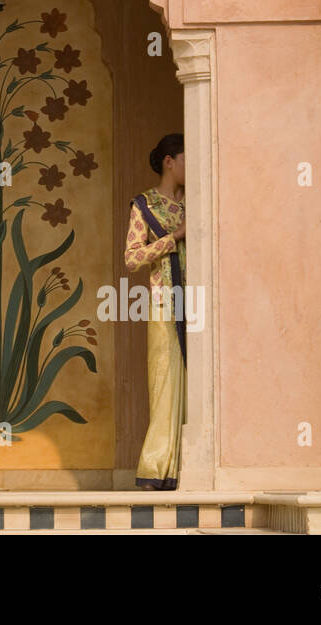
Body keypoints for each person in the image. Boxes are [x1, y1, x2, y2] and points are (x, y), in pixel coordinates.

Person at [124, 133, 186, 491]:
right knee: (164, 380)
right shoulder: (144, 205)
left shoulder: (197, 200)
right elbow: (131, 258)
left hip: (198, 301)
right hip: (163, 299)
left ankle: (186, 465)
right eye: (186, 159)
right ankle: (155, 466)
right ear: (169, 161)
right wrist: (172, 238)